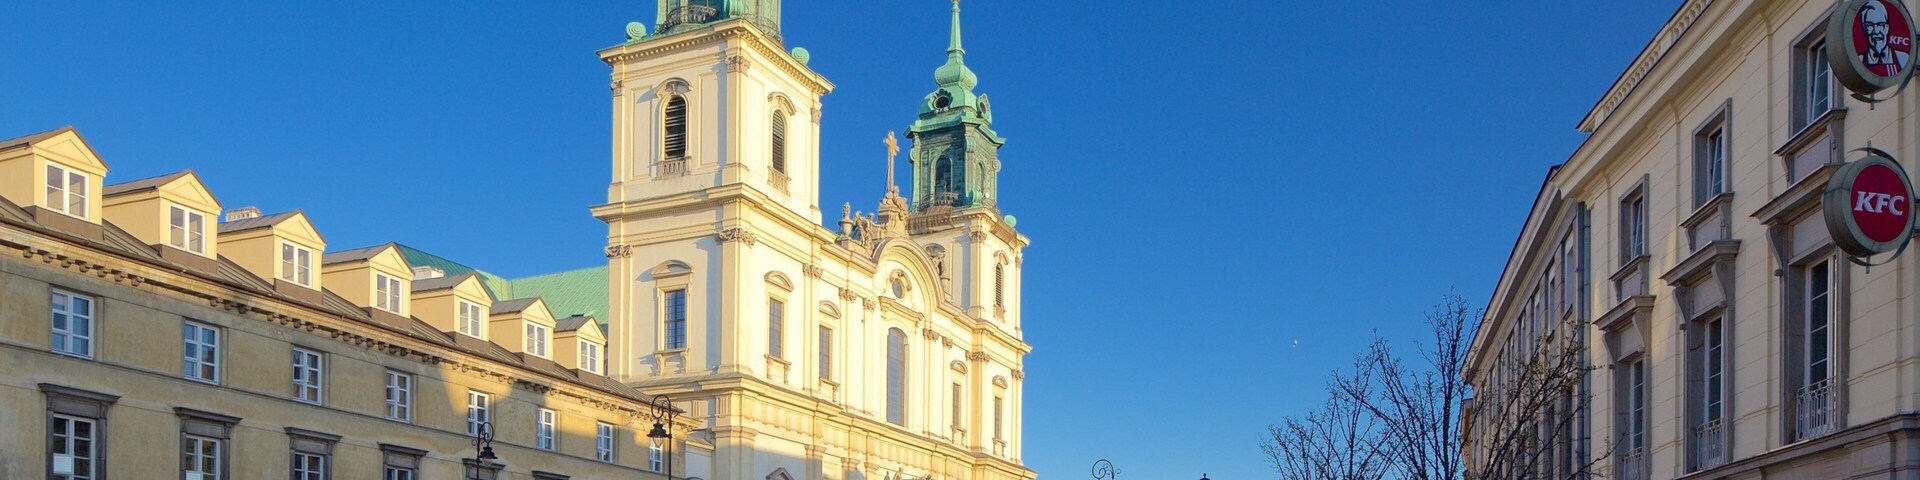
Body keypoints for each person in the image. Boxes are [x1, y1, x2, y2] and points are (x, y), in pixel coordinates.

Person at [1860, 0, 1910, 77]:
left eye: (1880, 24)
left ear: (1887, 27)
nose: (1876, 31)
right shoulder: (1859, 60)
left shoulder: (1903, 58)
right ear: (1864, 28)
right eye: (1870, 25)